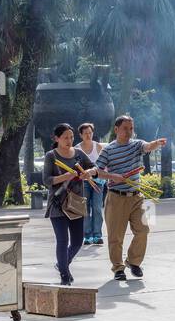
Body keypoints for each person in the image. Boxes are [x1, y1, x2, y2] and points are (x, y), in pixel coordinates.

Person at [94, 115, 167, 282]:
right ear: (116, 129)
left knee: (144, 230)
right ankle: (118, 268)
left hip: (137, 197)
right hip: (116, 197)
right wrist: (112, 175)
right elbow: (97, 171)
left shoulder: (136, 144)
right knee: (115, 237)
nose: (129, 132)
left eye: (131, 128)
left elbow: (147, 146)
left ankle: (133, 262)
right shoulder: (108, 150)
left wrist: (156, 144)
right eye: (125, 128)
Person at [45, 123, 96, 285]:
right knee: (62, 241)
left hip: (76, 203)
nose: (69, 140)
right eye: (65, 137)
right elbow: (46, 180)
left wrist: (87, 173)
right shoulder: (51, 156)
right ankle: (64, 276)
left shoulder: (79, 154)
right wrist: (65, 176)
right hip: (58, 203)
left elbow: (93, 167)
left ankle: (62, 265)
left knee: (77, 241)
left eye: (71, 137)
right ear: (57, 138)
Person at [77, 122, 105, 245]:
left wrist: (101, 176)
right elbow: (76, 167)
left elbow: (105, 164)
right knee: (85, 209)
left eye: (90, 133)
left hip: (98, 181)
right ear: (81, 135)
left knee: (97, 208)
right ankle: (87, 236)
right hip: (84, 182)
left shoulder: (98, 146)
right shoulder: (77, 148)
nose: (88, 135)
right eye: (85, 133)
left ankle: (97, 235)